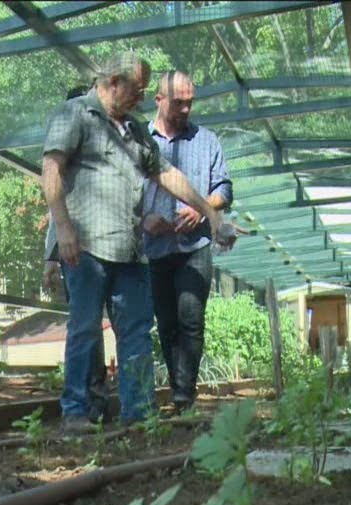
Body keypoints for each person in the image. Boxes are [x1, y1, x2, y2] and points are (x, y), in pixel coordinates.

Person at [41, 52, 239, 431]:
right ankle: (75, 411)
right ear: (114, 82)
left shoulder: (134, 129)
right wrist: (62, 229)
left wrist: (210, 214)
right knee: (84, 328)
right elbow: (51, 170)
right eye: (137, 88)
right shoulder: (75, 114)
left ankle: (140, 414)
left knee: (136, 332)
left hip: (130, 252)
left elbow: (167, 173)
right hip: (86, 249)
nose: (142, 97)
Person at [141, 70, 234, 415]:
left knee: (191, 316)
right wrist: (144, 219)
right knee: (166, 322)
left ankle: (184, 393)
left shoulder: (206, 140)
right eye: (178, 102)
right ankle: (179, 386)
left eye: (190, 102)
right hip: (154, 248)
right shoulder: (141, 141)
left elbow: (224, 188)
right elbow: (124, 191)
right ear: (159, 100)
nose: (185, 109)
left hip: (195, 247)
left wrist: (203, 209)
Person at [44, 84, 113, 424]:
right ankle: (83, 400)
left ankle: (98, 397)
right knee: (85, 326)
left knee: (105, 325)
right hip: (76, 252)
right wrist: (51, 257)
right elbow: (55, 211)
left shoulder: (100, 149)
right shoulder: (62, 162)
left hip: (112, 248)